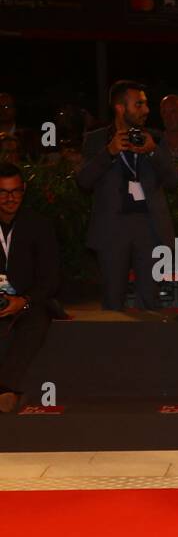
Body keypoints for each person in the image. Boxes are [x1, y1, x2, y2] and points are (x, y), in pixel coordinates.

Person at [75, 80, 178, 310]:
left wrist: (152, 151)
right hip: (112, 228)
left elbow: (173, 181)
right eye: (139, 104)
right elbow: (83, 181)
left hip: (149, 228)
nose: (146, 110)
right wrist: (109, 152)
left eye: (145, 104)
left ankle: (151, 346)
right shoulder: (96, 139)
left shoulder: (156, 138)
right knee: (113, 301)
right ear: (121, 108)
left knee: (150, 302)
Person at [0, 163, 59, 413]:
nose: (10, 198)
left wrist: (22, 300)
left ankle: (4, 388)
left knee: (37, 320)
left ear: (23, 191)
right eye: (3, 192)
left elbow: (51, 278)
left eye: (15, 191)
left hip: (28, 301)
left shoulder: (39, 225)